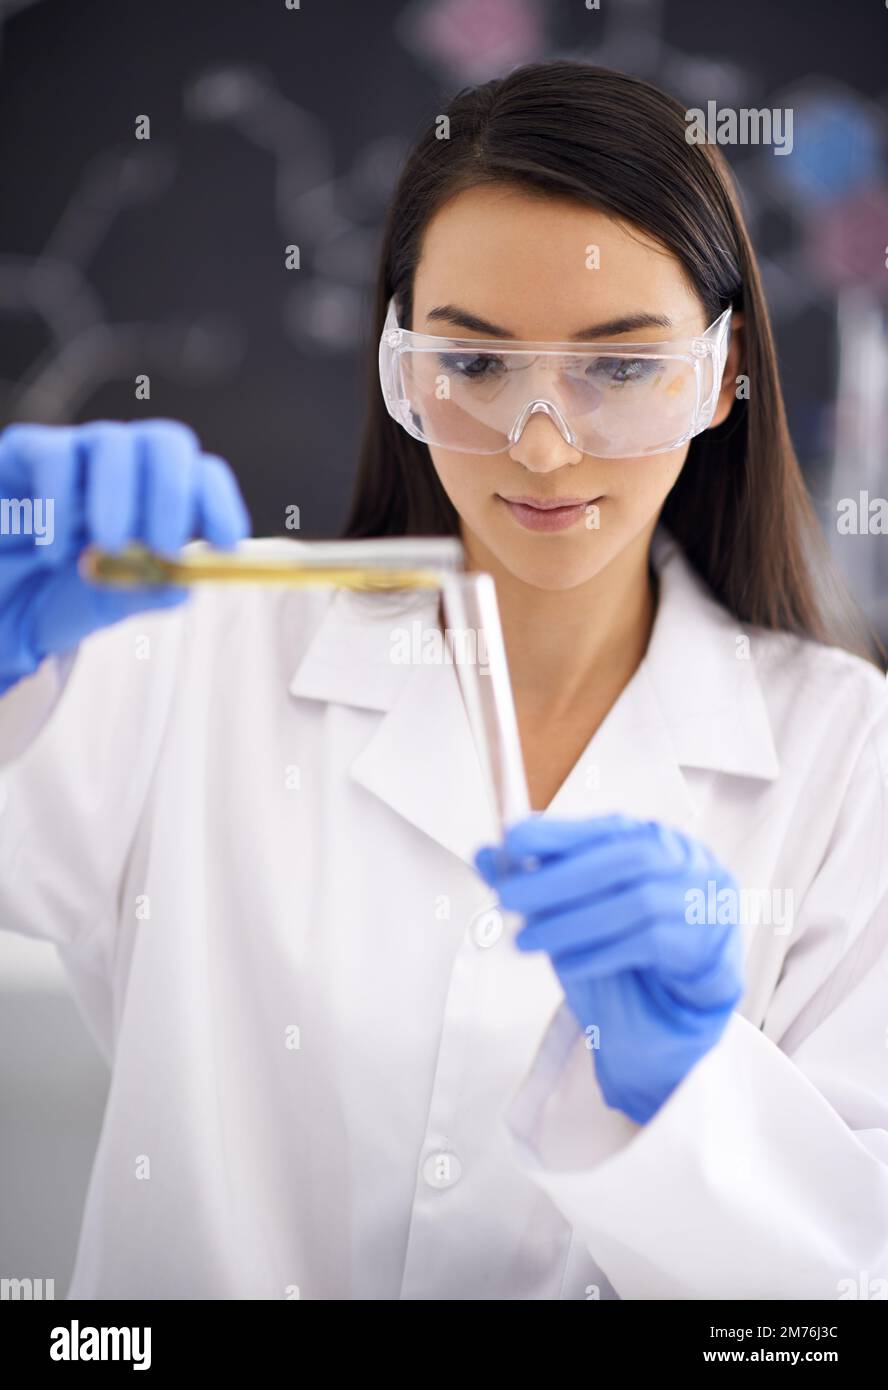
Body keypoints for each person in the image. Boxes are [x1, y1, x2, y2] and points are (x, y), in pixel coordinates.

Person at [1, 61, 886, 1301]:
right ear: (402, 368)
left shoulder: (849, 754)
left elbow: (847, 1289)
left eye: (621, 368)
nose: (540, 439)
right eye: (474, 365)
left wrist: (686, 1096)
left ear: (723, 371)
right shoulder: (193, 636)